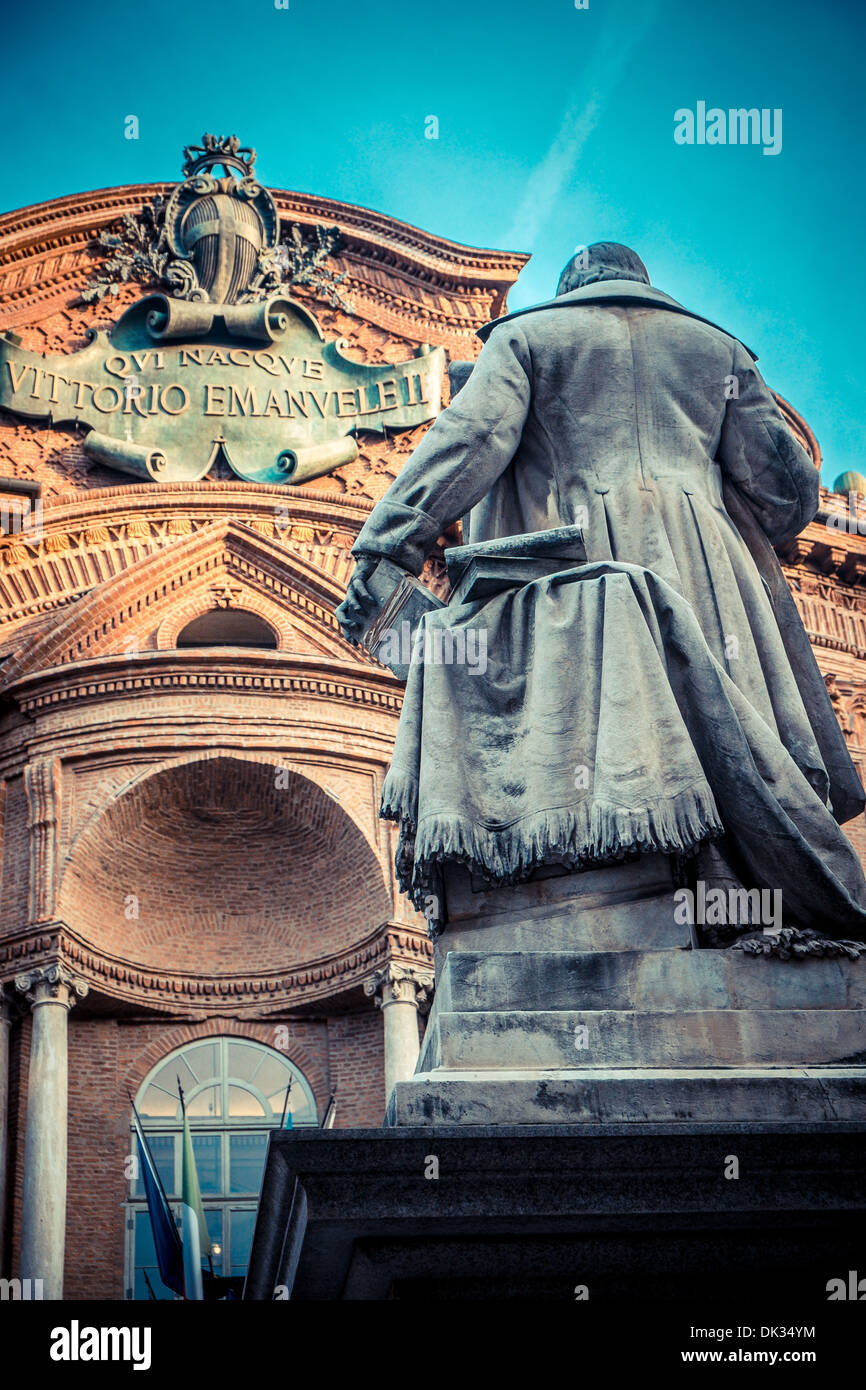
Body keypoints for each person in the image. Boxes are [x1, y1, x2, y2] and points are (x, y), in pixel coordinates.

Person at [336, 242, 866, 944]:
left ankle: (636, 906)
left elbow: (471, 440)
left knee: (626, 737)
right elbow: (788, 491)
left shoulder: (530, 337)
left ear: (569, 288)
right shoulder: (720, 351)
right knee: (727, 733)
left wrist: (388, 541)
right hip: (711, 568)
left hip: (584, 559)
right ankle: (736, 907)